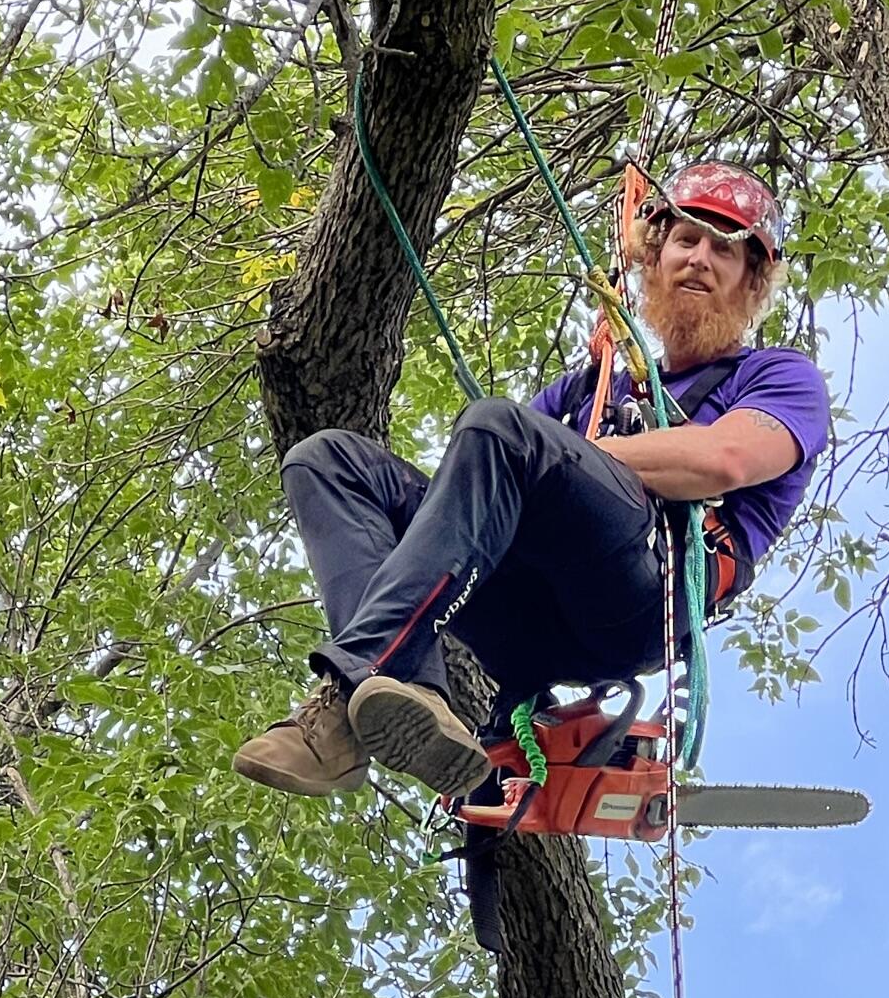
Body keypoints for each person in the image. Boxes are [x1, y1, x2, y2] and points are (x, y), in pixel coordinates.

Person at [232, 161, 832, 800]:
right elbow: (464, 505)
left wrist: (574, 456)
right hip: (521, 617)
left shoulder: (780, 378)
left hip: (637, 597)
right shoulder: (591, 387)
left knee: (500, 430)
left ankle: (350, 698)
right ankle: (408, 692)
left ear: (750, 284)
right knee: (328, 460)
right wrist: (549, 457)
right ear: (655, 259)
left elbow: (724, 460)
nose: (699, 259)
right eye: (685, 240)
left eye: (724, 250)